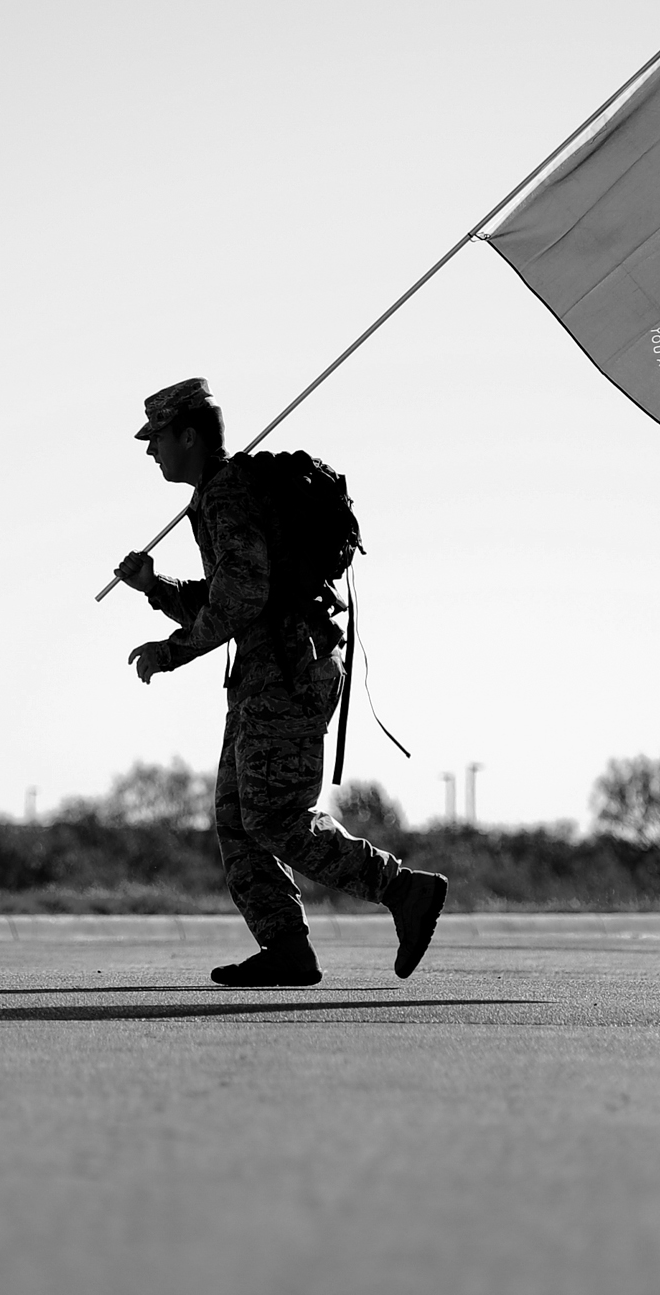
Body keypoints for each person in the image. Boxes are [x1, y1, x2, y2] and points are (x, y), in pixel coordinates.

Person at [114, 377, 448, 988]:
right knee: (239, 820)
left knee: (276, 818)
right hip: (266, 678)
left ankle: (404, 890)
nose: (149, 450)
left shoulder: (226, 496)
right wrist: (156, 589)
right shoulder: (218, 496)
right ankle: (287, 950)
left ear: (188, 435)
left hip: (288, 677)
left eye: (156, 437)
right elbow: (230, 597)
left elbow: (242, 595)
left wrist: (173, 651)